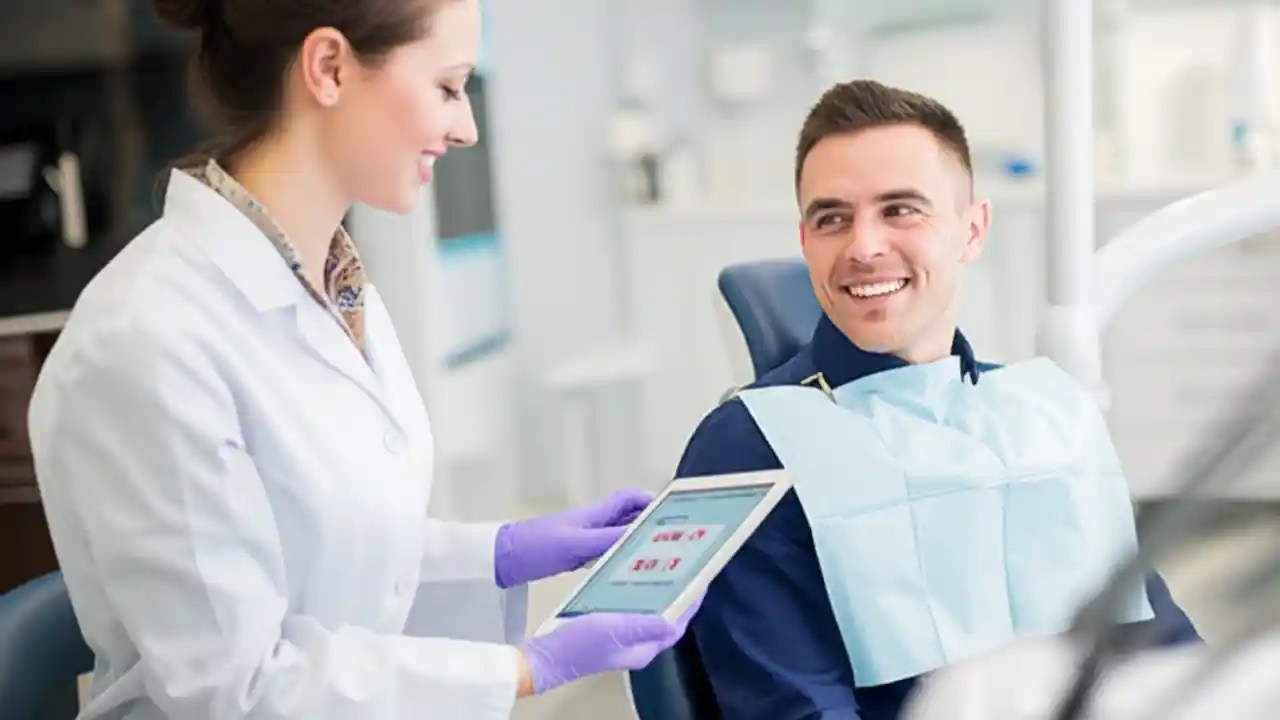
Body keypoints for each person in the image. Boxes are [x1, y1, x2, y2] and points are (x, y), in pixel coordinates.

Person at [26, 1, 695, 718]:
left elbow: (327, 557)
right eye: (446, 86)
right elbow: (236, 689)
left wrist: (498, 554)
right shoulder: (148, 338)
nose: (466, 127)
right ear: (329, 68)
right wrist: (526, 669)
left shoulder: (335, 287)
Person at [672, 80, 1201, 720]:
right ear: (806, 240)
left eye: (900, 210)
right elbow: (794, 708)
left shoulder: (1046, 413)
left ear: (971, 231)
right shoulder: (747, 448)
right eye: (832, 217)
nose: (864, 247)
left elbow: (1165, 649)